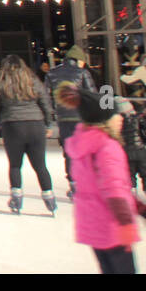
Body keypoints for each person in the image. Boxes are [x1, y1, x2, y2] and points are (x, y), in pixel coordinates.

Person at [56, 83, 141, 273]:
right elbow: (113, 189)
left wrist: (139, 206)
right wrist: (125, 222)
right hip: (113, 226)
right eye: (115, 114)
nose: (120, 118)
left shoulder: (81, 145)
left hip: (94, 225)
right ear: (104, 119)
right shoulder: (107, 147)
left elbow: (100, 185)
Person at [0, 55, 56, 215]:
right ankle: (49, 197)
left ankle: (16, 196)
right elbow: (45, 101)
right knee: (40, 165)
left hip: (12, 125)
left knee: (15, 165)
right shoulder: (32, 80)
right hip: (35, 124)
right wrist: (48, 123)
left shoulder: (0, 82)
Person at [46, 46, 96, 198]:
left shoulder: (52, 73)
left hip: (64, 118)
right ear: (79, 60)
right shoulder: (82, 73)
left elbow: (46, 96)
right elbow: (92, 94)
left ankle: (74, 183)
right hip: (82, 117)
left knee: (69, 151)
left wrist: (51, 114)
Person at [117, 97, 146, 205]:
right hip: (140, 150)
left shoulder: (118, 122)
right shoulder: (138, 118)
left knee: (129, 175)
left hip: (126, 152)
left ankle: (132, 196)